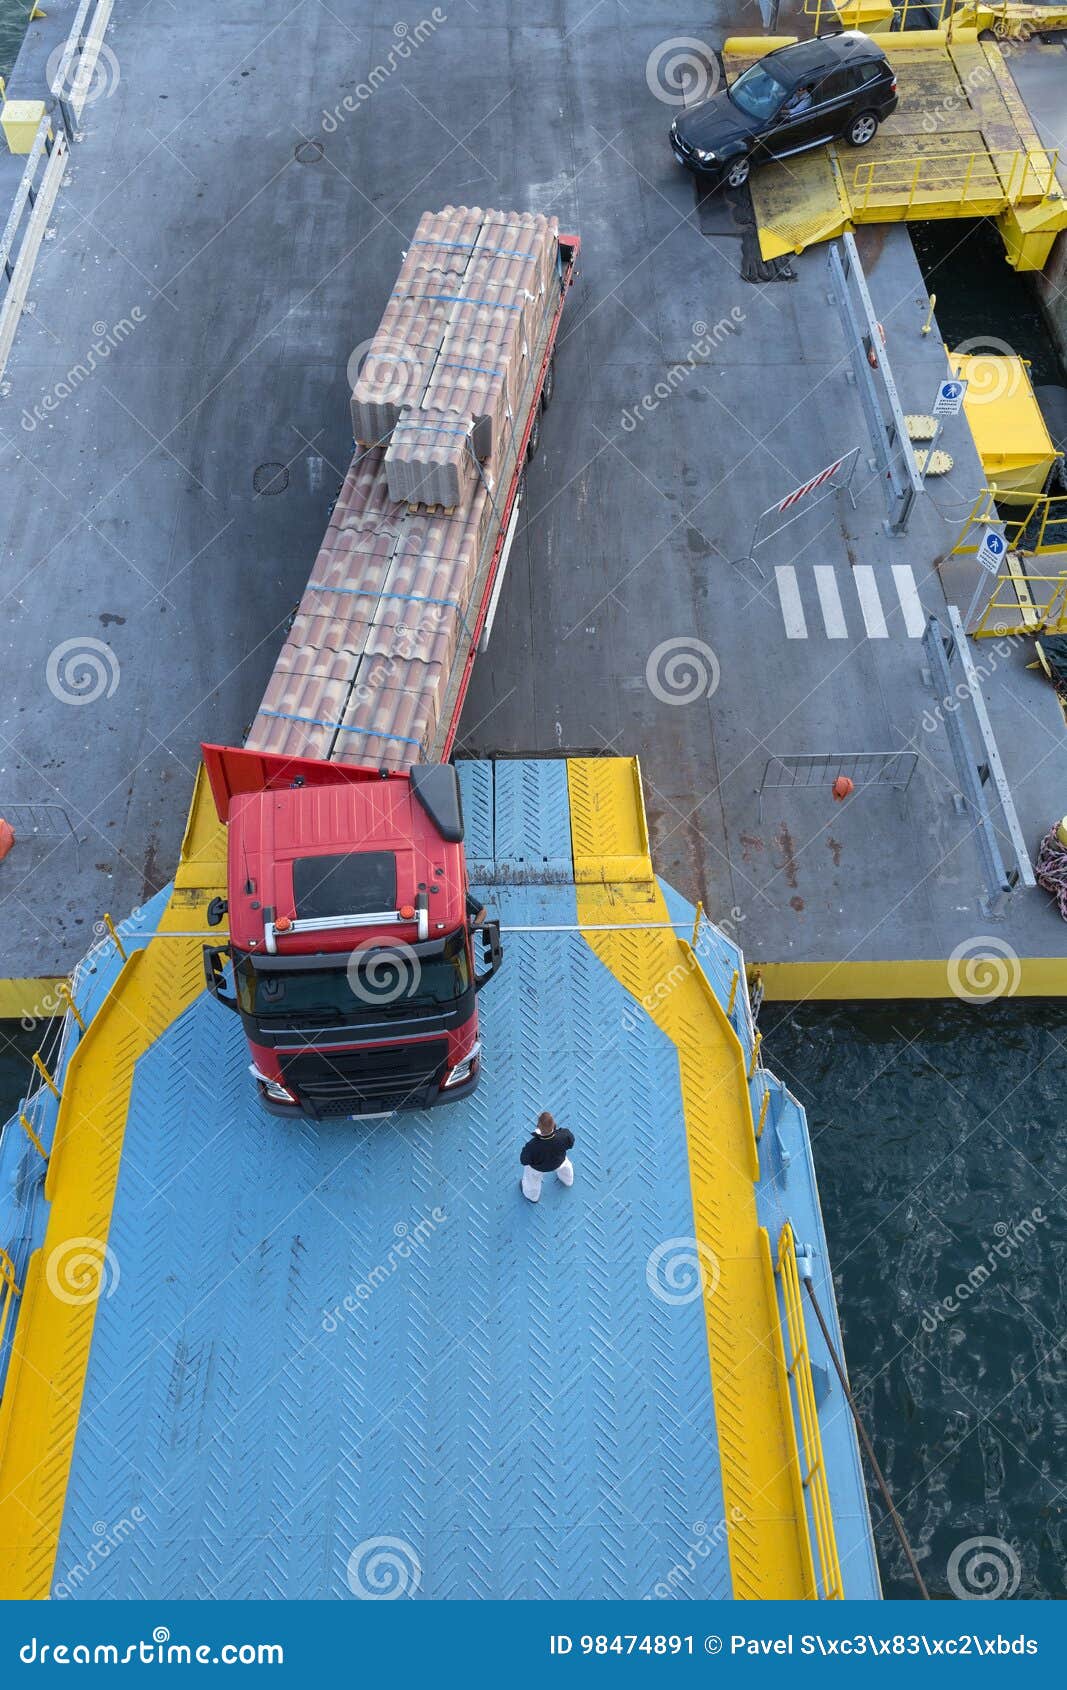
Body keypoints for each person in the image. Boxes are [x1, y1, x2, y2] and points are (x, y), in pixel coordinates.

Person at [519, 1111, 575, 1203]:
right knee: (566, 1166)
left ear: (538, 1127)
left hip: (539, 1168)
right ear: (554, 1124)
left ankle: (532, 1196)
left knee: (531, 1177)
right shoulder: (564, 1135)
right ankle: (568, 1180)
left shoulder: (532, 1146)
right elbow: (571, 1143)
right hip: (559, 1162)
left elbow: (524, 1160)